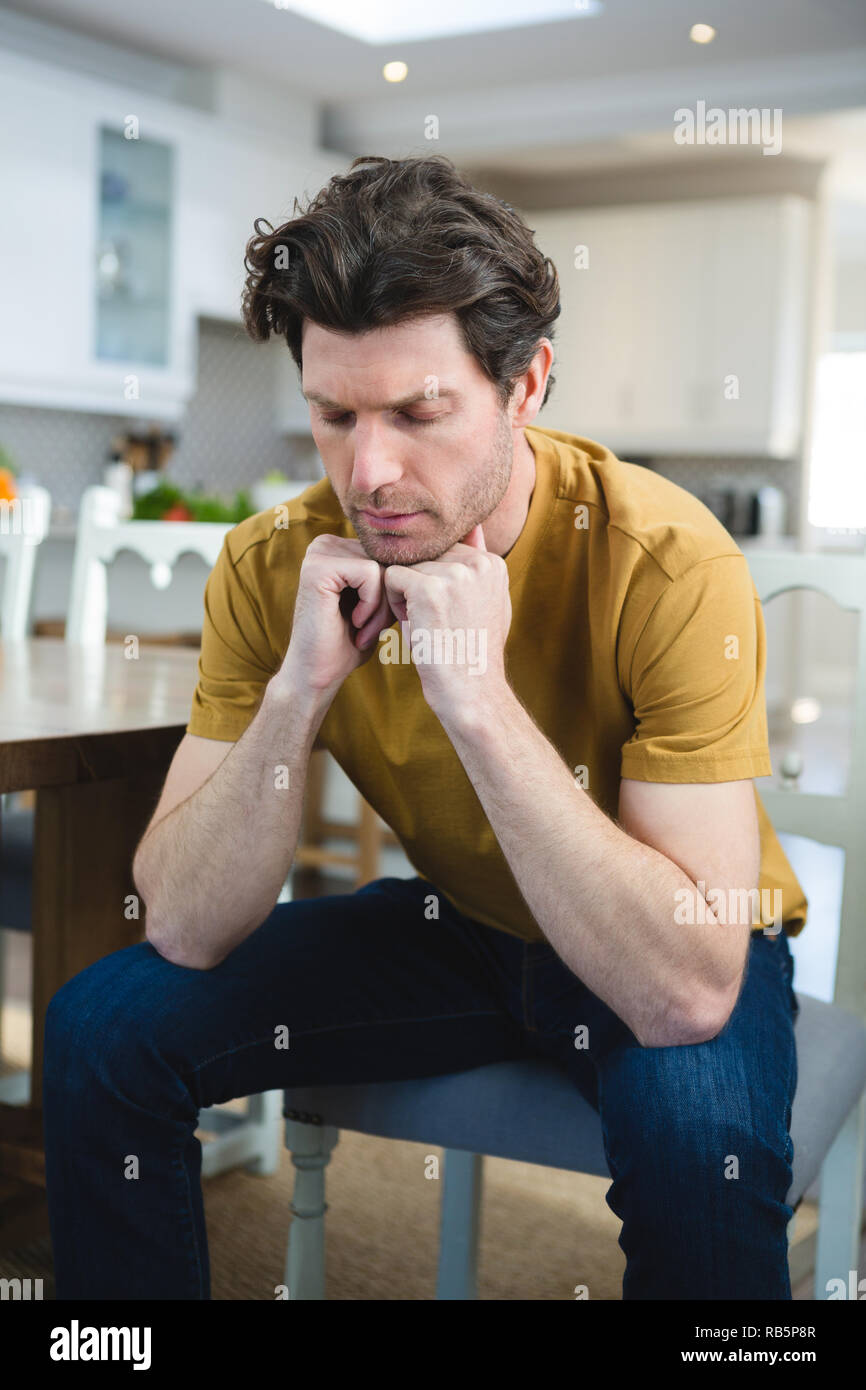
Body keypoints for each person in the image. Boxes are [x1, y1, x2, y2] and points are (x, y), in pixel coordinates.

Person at [43, 154, 806, 1300]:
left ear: (527, 381)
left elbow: (685, 991)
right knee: (101, 1023)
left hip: (671, 931)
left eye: (418, 412)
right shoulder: (274, 565)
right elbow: (188, 925)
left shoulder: (665, 561)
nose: (370, 470)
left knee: (700, 1146)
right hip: (462, 929)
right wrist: (297, 695)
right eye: (333, 414)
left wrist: (472, 694)